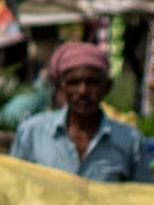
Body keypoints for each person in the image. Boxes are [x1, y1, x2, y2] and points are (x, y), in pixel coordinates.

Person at [11, 41, 145, 183]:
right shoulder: (31, 133)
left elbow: (141, 198)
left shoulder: (130, 141)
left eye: (92, 82)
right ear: (60, 87)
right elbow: (13, 189)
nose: (83, 91)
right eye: (74, 83)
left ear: (106, 87)